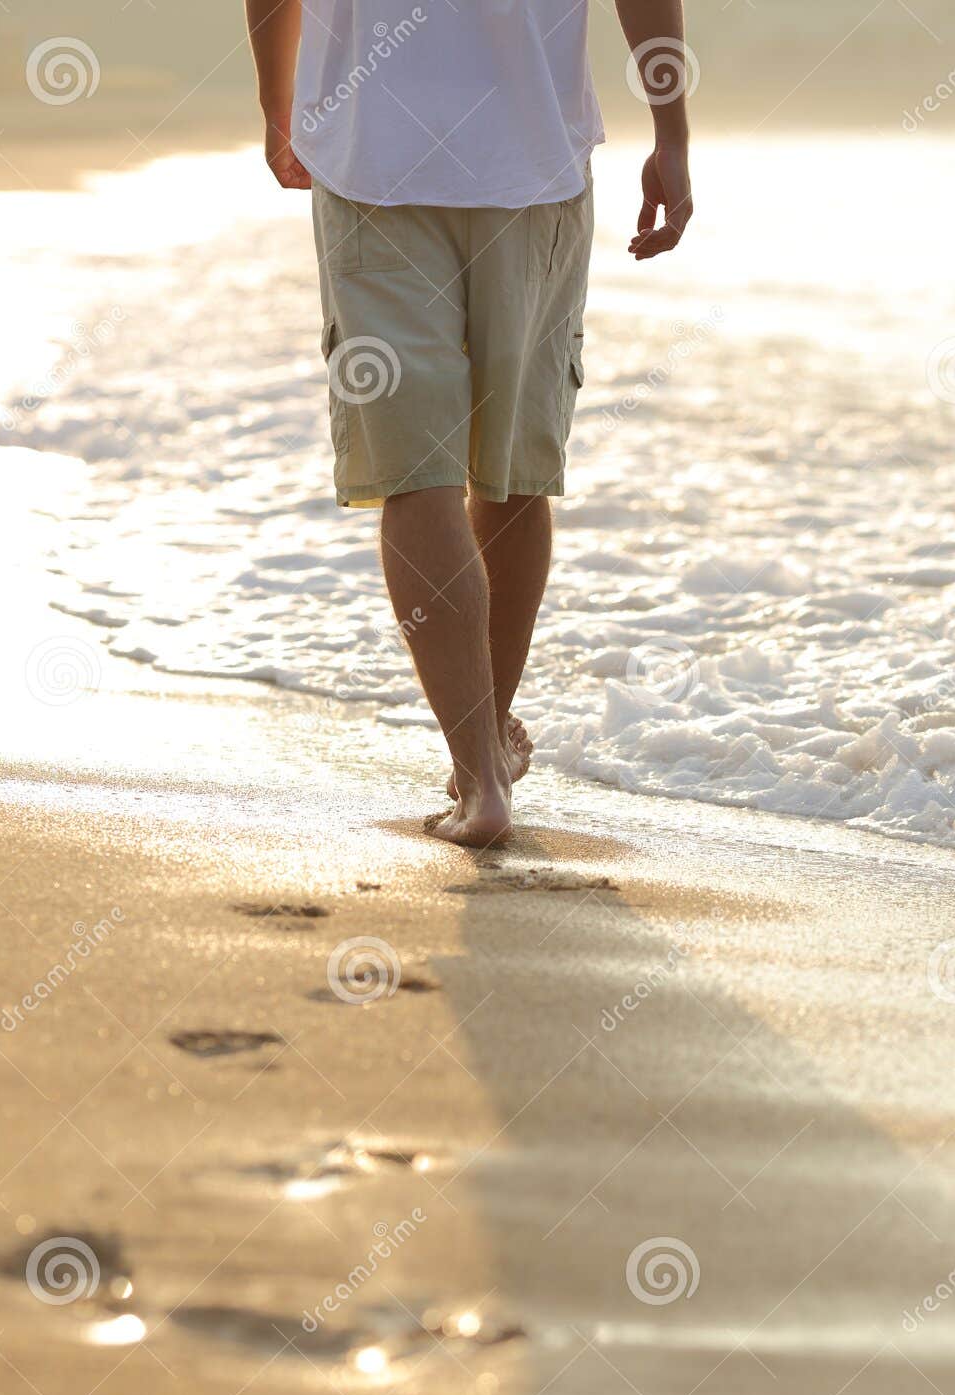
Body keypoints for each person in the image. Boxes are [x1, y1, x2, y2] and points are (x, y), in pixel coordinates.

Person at [246, 1, 693, 844]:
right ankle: (480, 758)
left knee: (417, 474)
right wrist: (671, 132)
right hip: (530, 162)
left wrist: (276, 101)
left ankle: (481, 776)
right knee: (513, 472)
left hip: (371, 157)